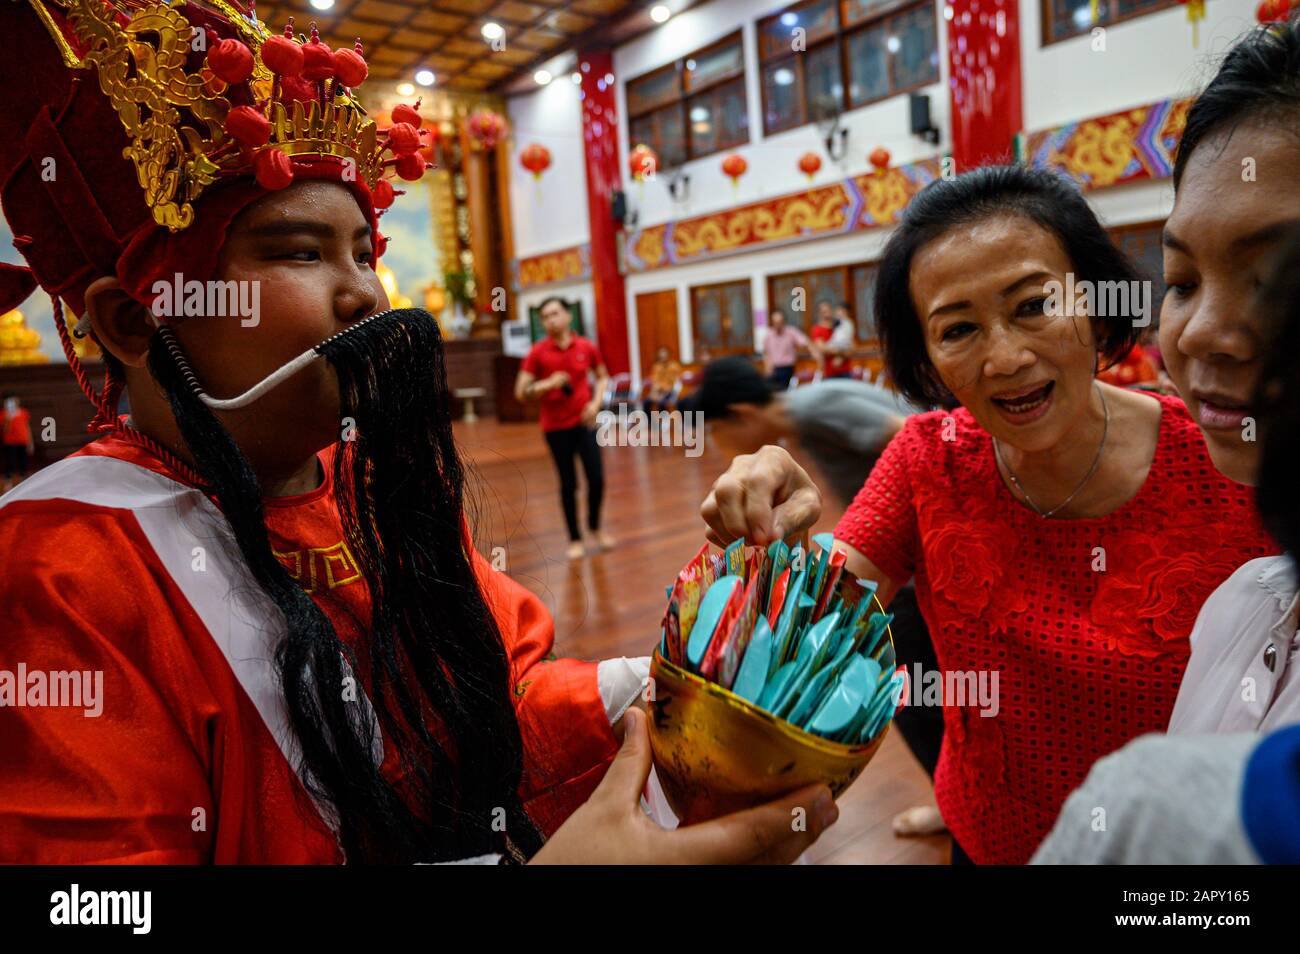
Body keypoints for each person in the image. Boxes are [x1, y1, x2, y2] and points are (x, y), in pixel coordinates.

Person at [0, 0, 836, 865]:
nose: (365, 294)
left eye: (365, 252)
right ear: (135, 323)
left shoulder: (370, 484)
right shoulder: (59, 568)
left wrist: (714, 649)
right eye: (296, 253)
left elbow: (498, 699)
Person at [698, 164, 1274, 864]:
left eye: (1033, 305)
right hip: (989, 840)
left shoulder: (1230, 466)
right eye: (959, 328)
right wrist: (765, 533)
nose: (1005, 358)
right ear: (928, 359)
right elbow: (812, 622)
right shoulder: (927, 461)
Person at [1033, 18, 1300, 864]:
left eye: (1275, 278)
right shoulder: (1243, 605)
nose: (1201, 334)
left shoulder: (1163, 816)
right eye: (1180, 280)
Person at [682, 356, 947, 835]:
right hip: (903, 568)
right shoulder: (806, 417)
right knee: (922, 694)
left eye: (718, 431)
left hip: (912, 571)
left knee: (912, 696)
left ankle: (951, 801)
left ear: (741, 414)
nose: (717, 446)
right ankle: (952, 799)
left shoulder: (816, 408)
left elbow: (913, 439)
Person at [515, 297, 614, 560]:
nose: (551, 320)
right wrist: (547, 384)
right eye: (545, 317)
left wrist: (596, 403)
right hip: (556, 429)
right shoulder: (537, 353)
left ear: (568, 316)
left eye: (555, 314)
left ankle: (595, 527)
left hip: (586, 422)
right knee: (568, 483)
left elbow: (603, 376)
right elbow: (521, 392)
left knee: (597, 479)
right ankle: (574, 537)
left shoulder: (586, 346)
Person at [761, 308, 809, 389]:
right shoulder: (768, 335)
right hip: (773, 369)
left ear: (784, 321)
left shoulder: (791, 332)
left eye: (780, 322)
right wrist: (767, 368)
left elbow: (805, 343)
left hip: (787, 368)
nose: (778, 325)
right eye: (775, 322)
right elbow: (766, 353)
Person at [808, 299, 854, 379]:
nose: (827, 314)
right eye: (824, 312)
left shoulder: (840, 326)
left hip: (846, 370)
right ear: (819, 313)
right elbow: (823, 349)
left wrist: (840, 355)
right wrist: (842, 352)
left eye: (828, 311)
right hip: (830, 372)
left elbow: (852, 347)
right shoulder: (817, 329)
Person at [0, 392, 33, 491]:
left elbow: (27, 427)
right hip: (10, 443)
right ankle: (8, 483)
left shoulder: (23, 412)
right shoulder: (3, 414)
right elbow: (5, 430)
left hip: (22, 441)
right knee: (10, 463)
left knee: (23, 463)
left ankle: (24, 483)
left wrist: (30, 442)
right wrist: (8, 419)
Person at [644, 345, 682, 413]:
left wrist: (662, 394)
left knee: (661, 403)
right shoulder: (656, 367)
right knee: (646, 402)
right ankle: (650, 422)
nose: (662, 356)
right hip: (658, 391)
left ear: (668, 355)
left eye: (664, 354)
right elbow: (655, 381)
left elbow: (676, 383)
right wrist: (654, 393)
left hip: (670, 392)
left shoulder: (674, 366)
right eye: (660, 354)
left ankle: (665, 421)